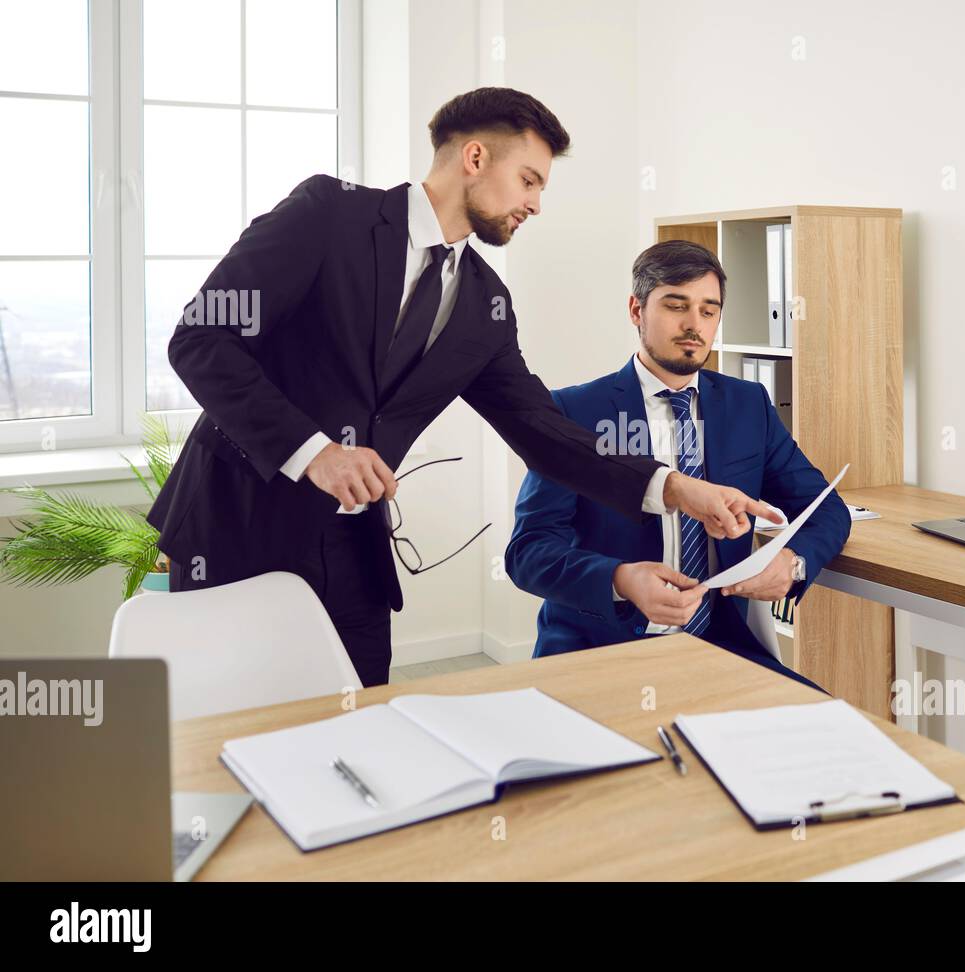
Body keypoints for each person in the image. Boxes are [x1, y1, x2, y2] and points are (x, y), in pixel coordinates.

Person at [147, 88, 773, 686]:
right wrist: (317, 452)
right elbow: (201, 341)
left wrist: (673, 487)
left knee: (359, 732)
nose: (535, 204)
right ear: (475, 158)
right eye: (529, 180)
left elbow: (544, 432)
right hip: (237, 526)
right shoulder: (327, 215)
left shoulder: (484, 303)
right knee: (230, 738)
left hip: (352, 549)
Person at [505, 240, 850, 691]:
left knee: (824, 726)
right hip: (600, 650)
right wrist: (621, 580)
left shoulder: (749, 405)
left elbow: (826, 507)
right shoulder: (575, 412)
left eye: (709, 311)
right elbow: (528, 553)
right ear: (636, 310)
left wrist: (793, 562)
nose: (694, 325)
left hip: (719, 645)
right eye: (676, 306)